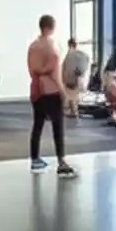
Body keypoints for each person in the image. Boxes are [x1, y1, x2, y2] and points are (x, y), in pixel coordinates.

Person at [28, 15, 77, 177]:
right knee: (58, 127)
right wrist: (64, 93)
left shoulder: (32, 47)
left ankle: (35, 159)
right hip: (51, 91)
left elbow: (32, 71)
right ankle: (61, 162)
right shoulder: (53, 47)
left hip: (37, 90)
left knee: (37, 125)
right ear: (52, 27)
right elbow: (55, 75)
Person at [61, 38, 91, 119]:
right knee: (74, 95)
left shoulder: (70, 55)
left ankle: (74, 111)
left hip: (72, 78)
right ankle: (73, 111)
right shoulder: (82, 54)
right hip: (81, 78)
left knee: (71, 95)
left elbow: (67, 68)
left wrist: (64, 78)